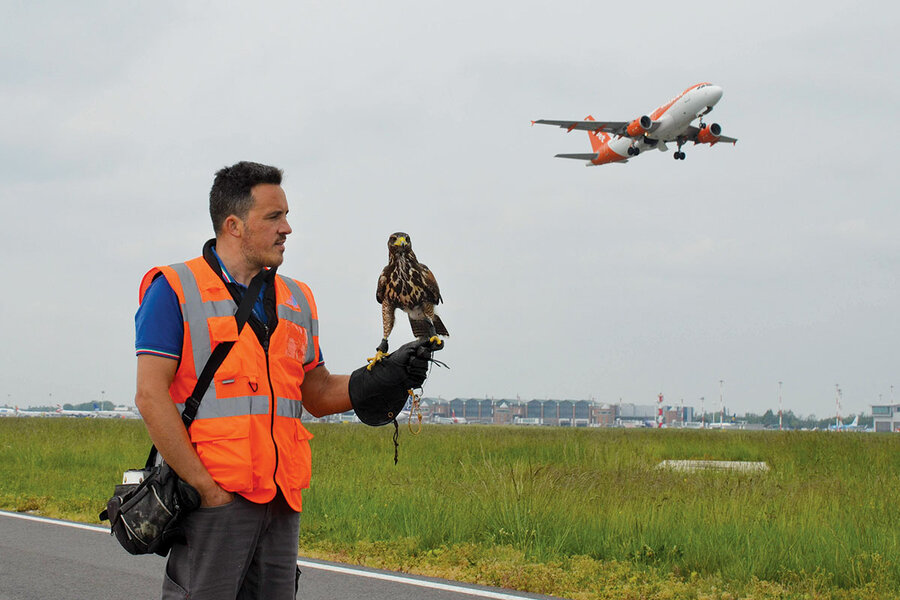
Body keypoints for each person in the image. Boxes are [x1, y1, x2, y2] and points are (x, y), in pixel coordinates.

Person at [134, 161, 435, 599]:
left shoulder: (297, 298)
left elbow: (314, 392)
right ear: (234, 225)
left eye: (286, 216)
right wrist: (205, 488)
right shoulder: (176, 287)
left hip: (281, 501)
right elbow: (150, 397)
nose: (287, 228)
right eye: (274, 217)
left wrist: (381, 377)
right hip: (214, 500)